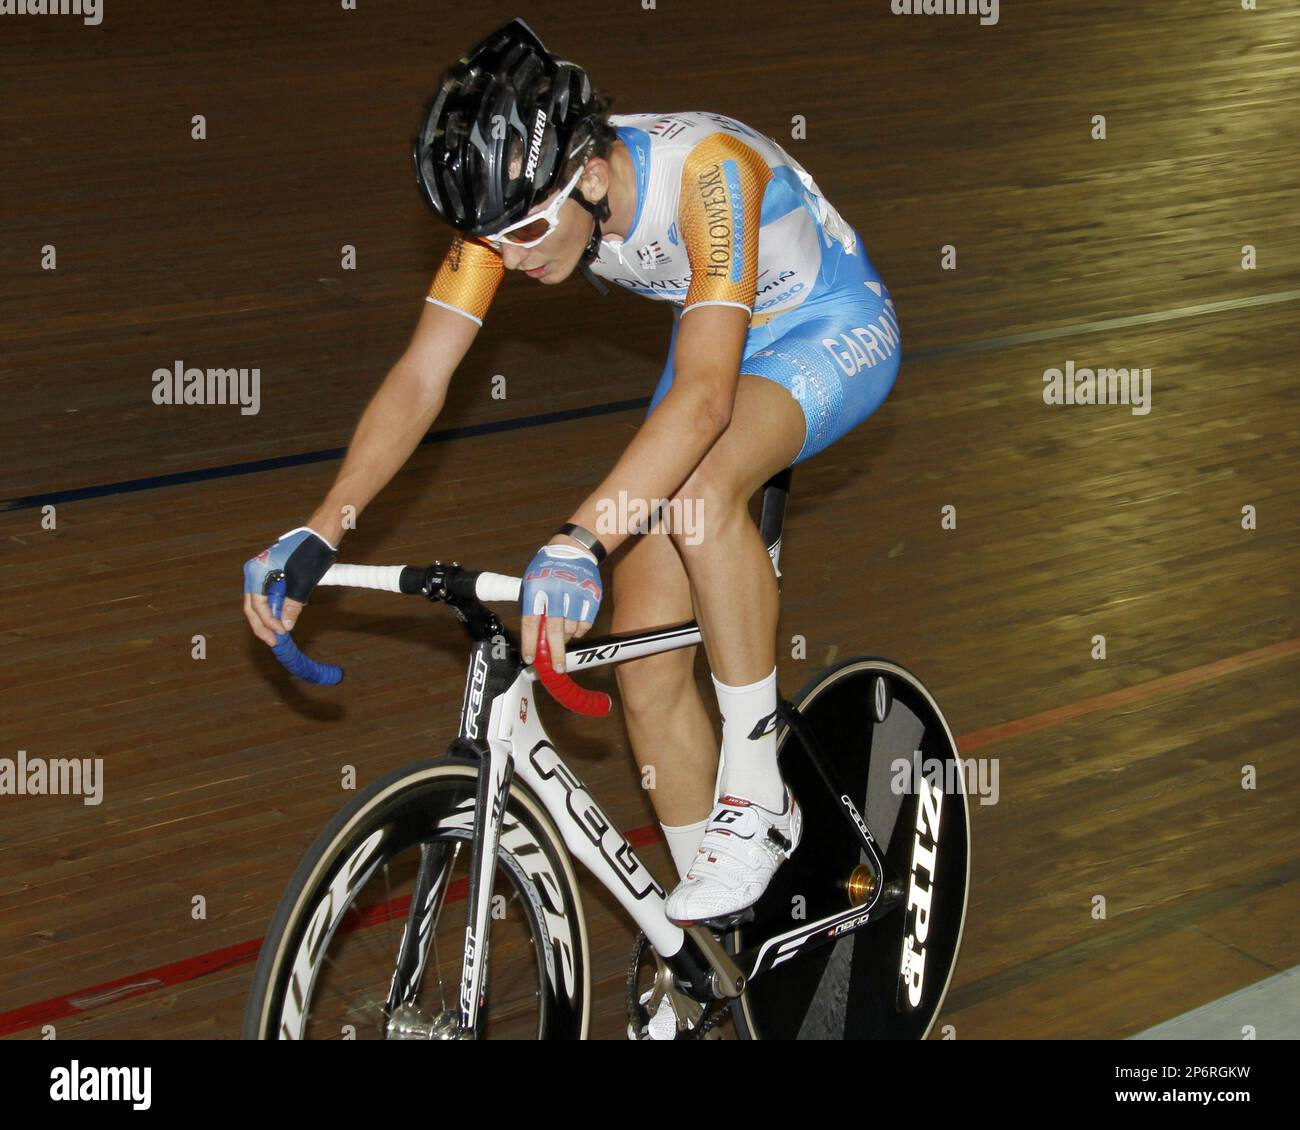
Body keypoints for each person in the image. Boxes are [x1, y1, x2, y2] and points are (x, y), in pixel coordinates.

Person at [243, 18, 900, 933]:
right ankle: (710, 945)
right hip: (719, 343)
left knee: (700, 495)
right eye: (492, 242)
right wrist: (324, 523)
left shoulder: (707, 171)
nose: (508, 259)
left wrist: (583, 537)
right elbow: (421, 378)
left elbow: (705, 404)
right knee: (646, 665)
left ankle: (759, 794)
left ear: (590, 174)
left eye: (523, 233)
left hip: (826, 327)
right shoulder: (512, 206)